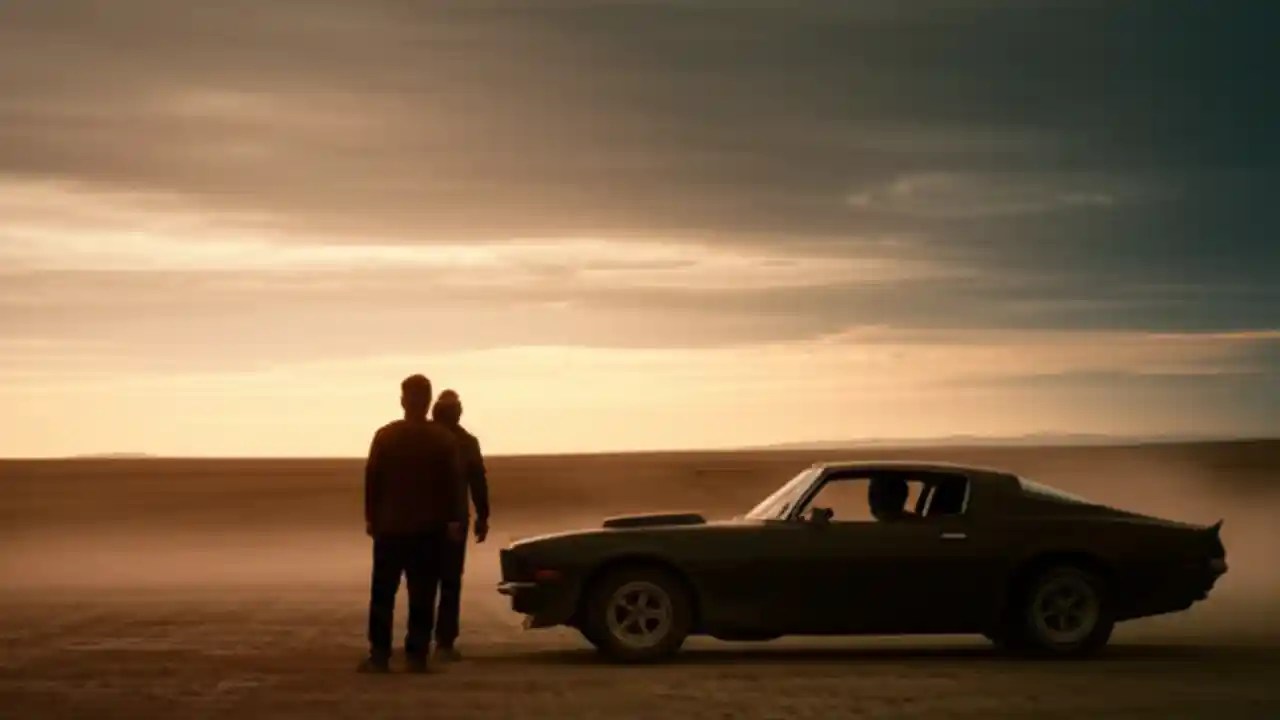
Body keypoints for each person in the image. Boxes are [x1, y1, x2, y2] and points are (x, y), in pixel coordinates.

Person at [359, 374, 466, 674]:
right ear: (428, 402)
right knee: (422, 595)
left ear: (403, 401)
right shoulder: (442, 439)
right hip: (427, 530)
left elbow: (372, 479)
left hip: (391, 528)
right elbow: (454, 484)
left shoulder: (386, 436)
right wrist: (454, 520)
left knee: (383, 594)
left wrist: (372, 517)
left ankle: (379, 655)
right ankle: (416, 655)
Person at [429, 389, 490, 661]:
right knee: (449, 582)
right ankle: (443, 642)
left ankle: (427, 641)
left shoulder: (427, 438)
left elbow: (477, 482)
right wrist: (483, 516)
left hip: (427, 520)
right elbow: (478, 482)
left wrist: (483, 515)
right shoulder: (466, 442)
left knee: (428, 581)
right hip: (452, 520)